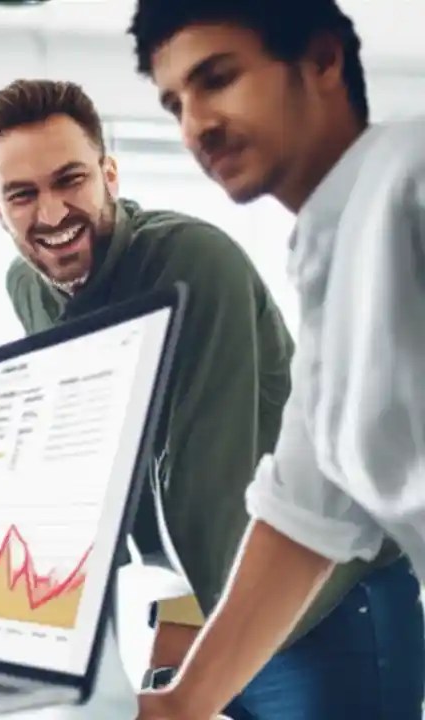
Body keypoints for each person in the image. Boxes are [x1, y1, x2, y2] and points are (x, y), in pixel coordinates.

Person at [0, 76, 421, 720]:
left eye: (69, 180)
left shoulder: (190, 264)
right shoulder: (28, 286)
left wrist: (180, 671)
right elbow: (91, 465)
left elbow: (203, 485)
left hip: (325, 605)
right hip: (214, 610)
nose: (50, 214)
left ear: (109, 174)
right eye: (23, 194)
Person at [126, 1, 425, 718]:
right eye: (176, 103)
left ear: (322, 61)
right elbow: (304, 514)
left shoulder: (410, 181)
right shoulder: (335, 255)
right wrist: (181, 704)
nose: (196, 123)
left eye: (219, 78)